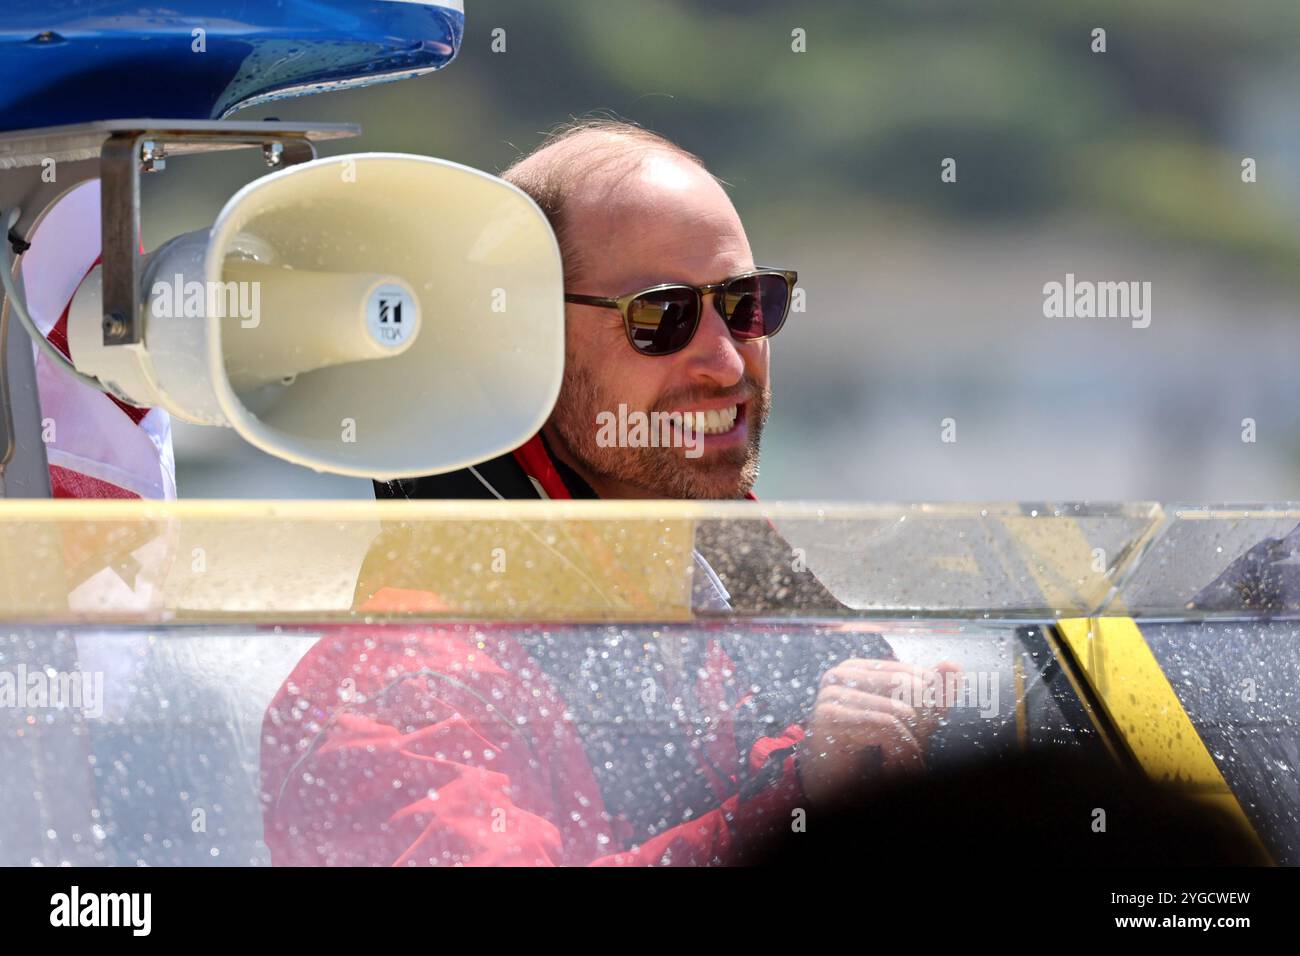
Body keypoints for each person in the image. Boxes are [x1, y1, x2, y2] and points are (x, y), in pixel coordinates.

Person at [260, 119, 956, 865]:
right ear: (521, 352)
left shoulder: (762, 606)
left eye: (747, 304)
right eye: (661, 316)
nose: (726, 364)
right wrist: (792, 802)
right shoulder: (399, 685)